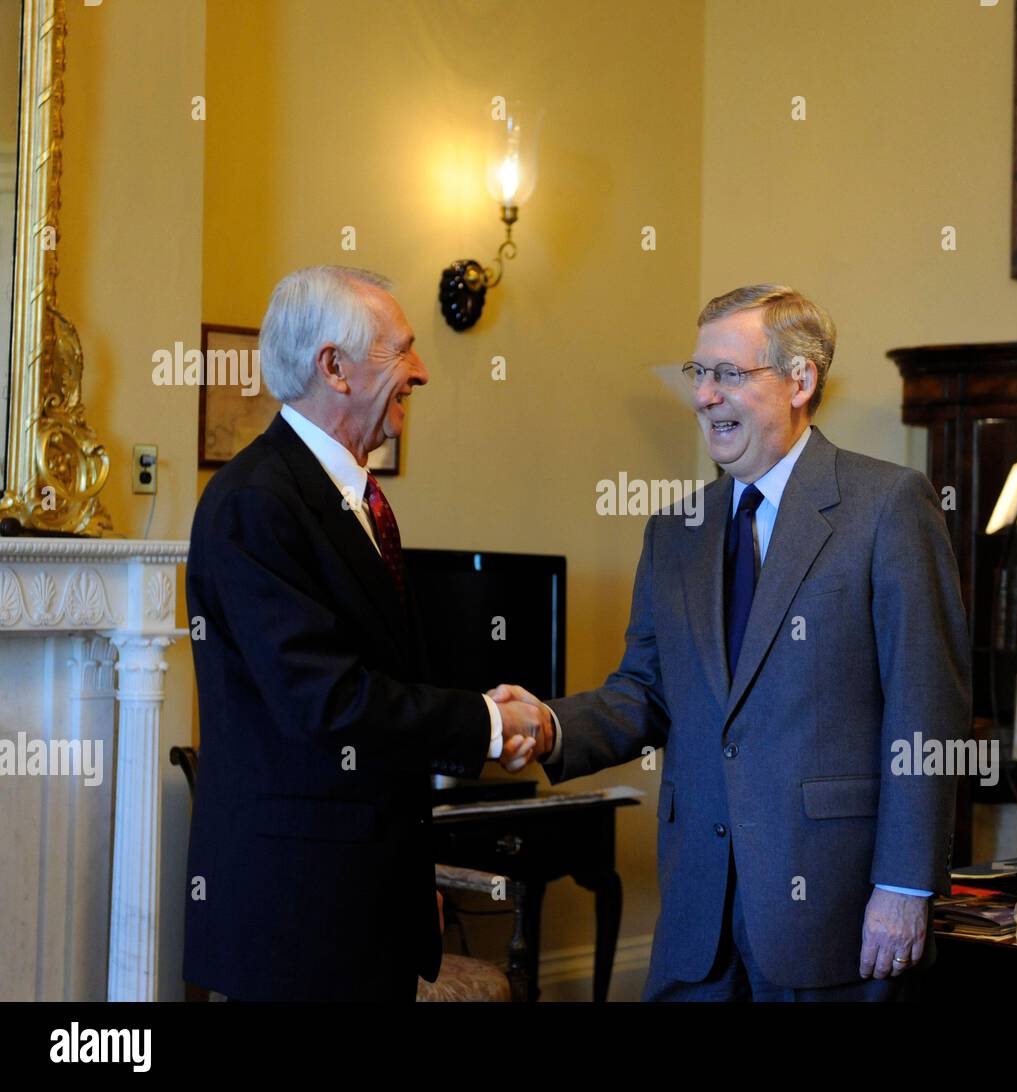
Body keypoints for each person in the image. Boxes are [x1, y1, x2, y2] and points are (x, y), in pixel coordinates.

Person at [493, 284, 971, 1001]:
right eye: (698, 374)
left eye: (728, 374)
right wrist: (548, 724)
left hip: (834, 918)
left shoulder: (888, 507)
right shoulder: (673, 531)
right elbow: (643, 693)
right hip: (697, 920)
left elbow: (926, 712)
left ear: (800, 380)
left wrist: (904, 887)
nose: (704, 398)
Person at [183, 265, 548, 1001]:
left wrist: (410, 882)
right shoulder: (254, 502)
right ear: (335, 368)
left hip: (360, 900)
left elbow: (386, 685)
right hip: (295, 917)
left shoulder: (357, 499)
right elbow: (331, 701)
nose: (419, 372)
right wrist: (485, 721)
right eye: (402, 351)